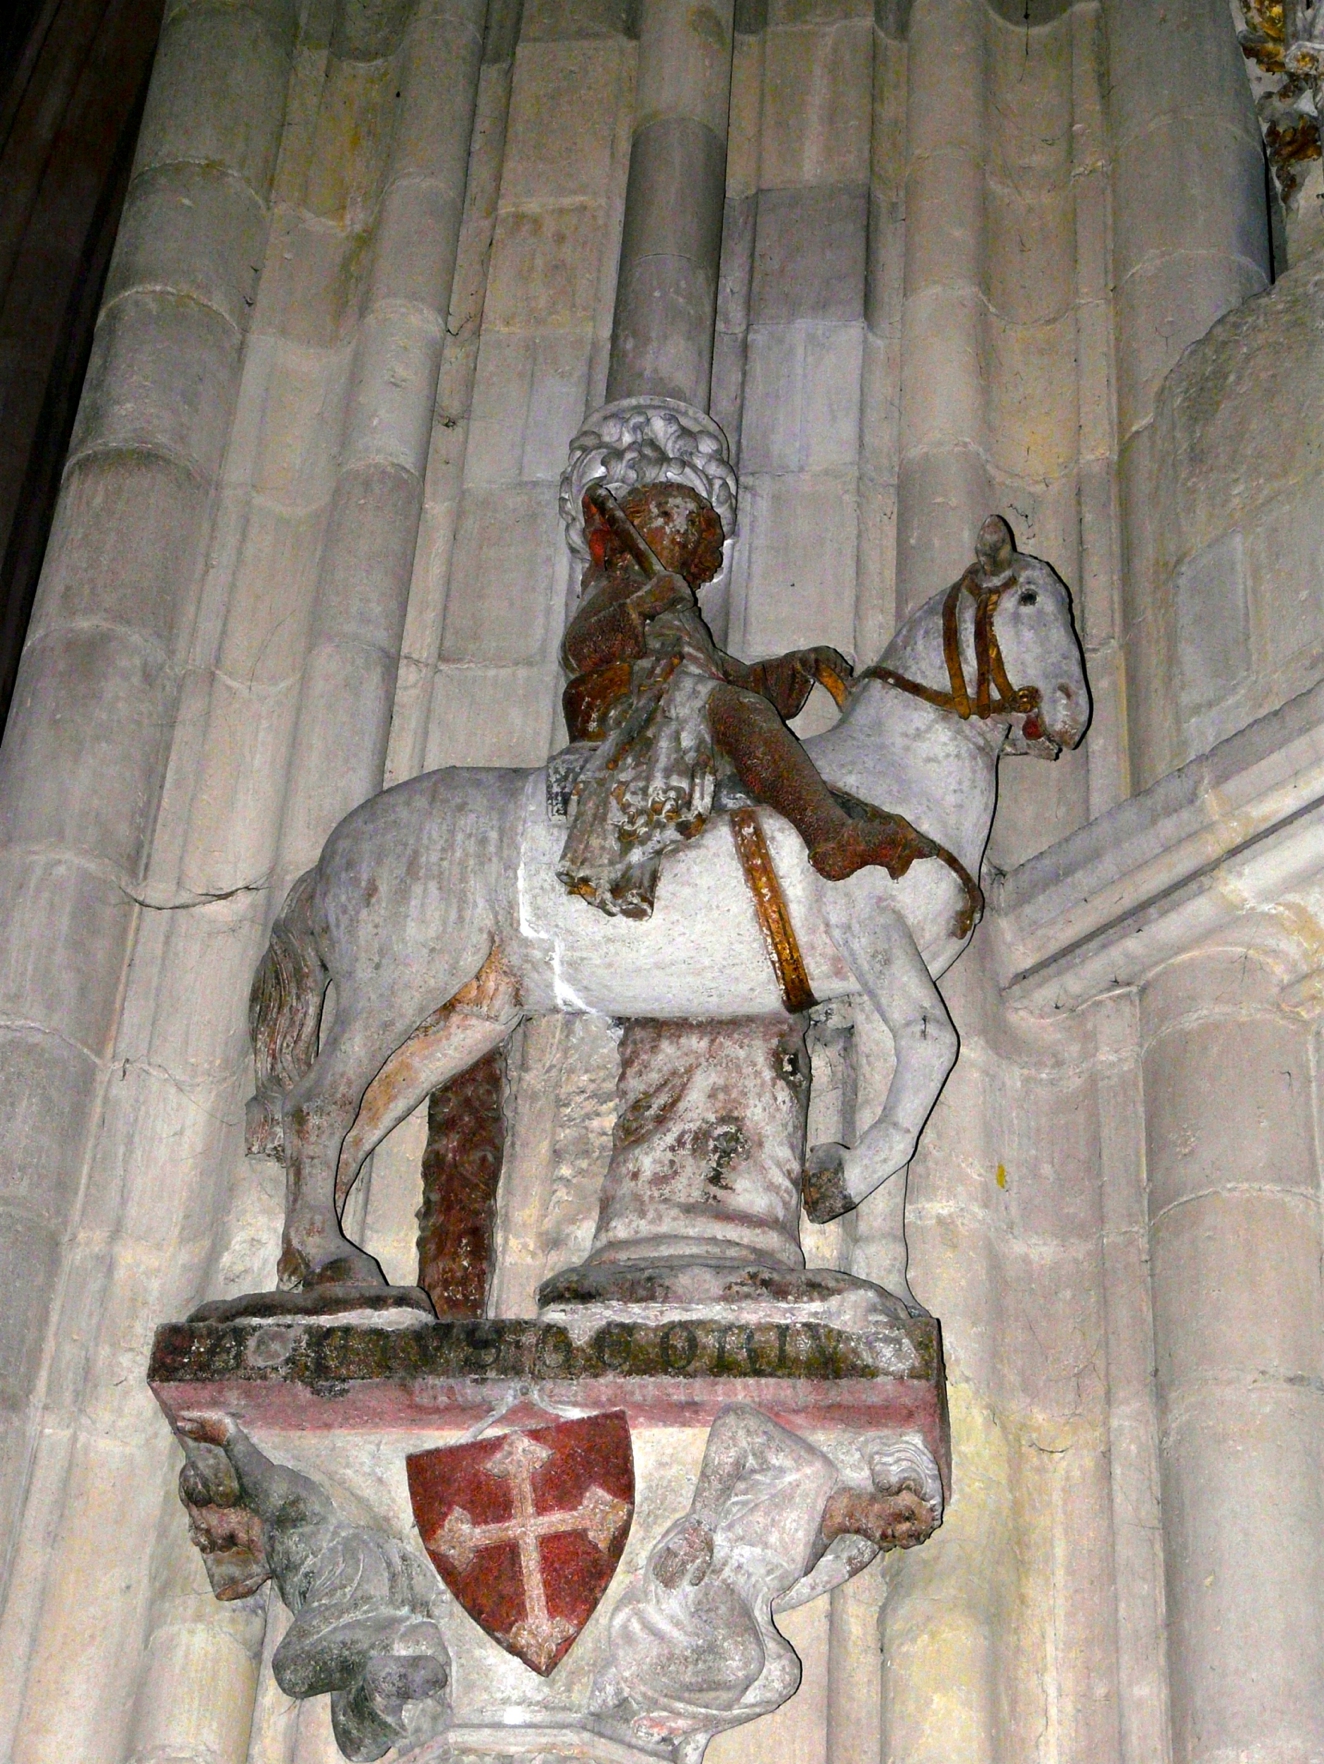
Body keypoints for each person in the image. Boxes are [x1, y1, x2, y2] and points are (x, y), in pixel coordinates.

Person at [557, 481, 933, 918]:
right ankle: (831, 838)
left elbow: (738, 678)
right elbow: (578, 649)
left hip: (691, 705)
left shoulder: (686, 622)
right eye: (668, 519)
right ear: (635, 530)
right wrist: (640, 607)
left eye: (692, 527)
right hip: (638, 712)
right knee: (734, 707)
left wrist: (795, 667)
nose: (681, 534)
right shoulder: (621, 584)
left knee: (738, 707)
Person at [593, 1403, 942, 1760]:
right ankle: (631, 1673)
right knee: (741, 1659)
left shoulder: (837, 1554)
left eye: (911, 1536)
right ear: (884, 1484)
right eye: (905, 1515)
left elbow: (779, 1598)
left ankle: (689, 1723)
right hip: (707, 1568)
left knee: (782, 1675)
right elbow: (736, 1424)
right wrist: (701, 1524)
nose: (899, 1532)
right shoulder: (812, 1473)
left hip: (743, 1602)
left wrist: (849, 1562)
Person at [176, 1414, 451, 1764]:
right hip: (337, 1606)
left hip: (349, 1577)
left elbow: (267, 1485)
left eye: (197, 1511)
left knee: (292, 1666)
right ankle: (391, 1679)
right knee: (355, 1741)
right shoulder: (264, 1549)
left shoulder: (288, 1509)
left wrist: (231, 1439)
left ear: (221, 1498)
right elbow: (232, 1583)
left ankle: (399, 1637)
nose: (197, 1525)